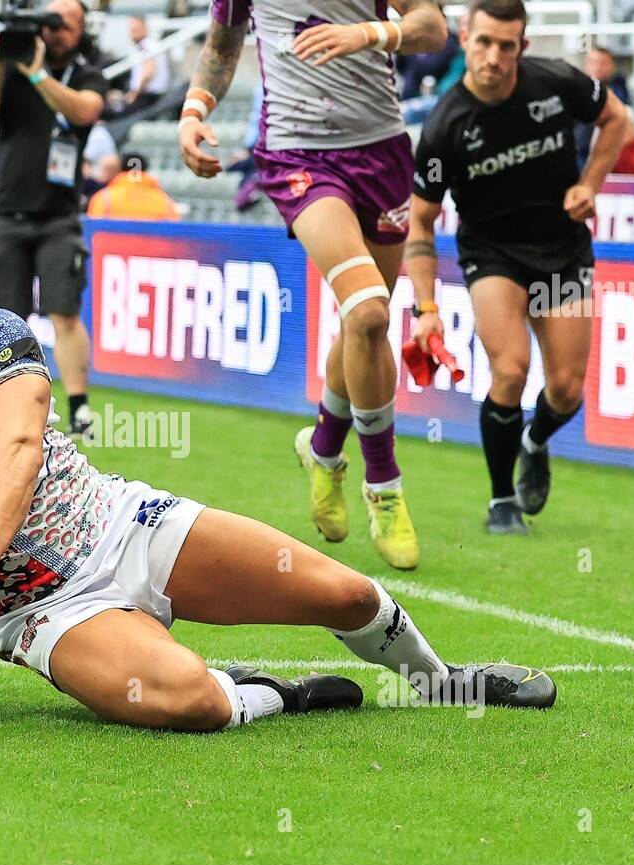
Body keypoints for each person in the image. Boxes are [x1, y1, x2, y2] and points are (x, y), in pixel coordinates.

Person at [0, 201, 556, 733]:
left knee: (341, 593)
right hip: (28, 609)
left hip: (122, 526)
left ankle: (445, 681)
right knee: (185, 703)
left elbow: (16, 442)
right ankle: (275, 695)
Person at [181, 0, 449, 572]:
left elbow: (432, 27)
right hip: (298, 154)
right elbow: (223, 45)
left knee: (362, 319)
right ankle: (385, 486)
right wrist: (192, 111)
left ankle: (324, 450)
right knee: (372, 313)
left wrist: (369, 34)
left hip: (381, 154)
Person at [406, 0, 628, 534]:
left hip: (560, 250)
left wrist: (589, 184)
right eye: (483, 42)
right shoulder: (443, 127)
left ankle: (535, 440)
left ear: (522, 46)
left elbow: (617, 118)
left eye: (506, 45)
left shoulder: (554, 81)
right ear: (464, 38)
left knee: (568, 389)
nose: (494, 57)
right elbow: (419, 225)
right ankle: (501, 501)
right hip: (493, 255)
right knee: (510, 368)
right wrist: (426, 308)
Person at [0, 0, 108, 439]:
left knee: (65, 312)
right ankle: (10, 401)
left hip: (58, 216)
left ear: (81, 29)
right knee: (9, 318)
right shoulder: (11, 73)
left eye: (65, 24)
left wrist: (37, 72)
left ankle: (80, 408)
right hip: (7, 213)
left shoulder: (86, 72)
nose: (56, 31)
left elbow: (85, 111)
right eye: (51, 23)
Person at [574, 46, 630, 168]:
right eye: (593, 62)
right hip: (579, 153)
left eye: (603, 62)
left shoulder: (618, 89)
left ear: (612, 66)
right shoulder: (576, 89)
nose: (597, 67)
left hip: (607, 154)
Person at [105, 15, 171, 116]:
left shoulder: (145, 47)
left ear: (145, 28)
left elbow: (149, 72)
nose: (132, 33)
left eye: (135, 29)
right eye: (131, 30)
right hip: (148, 96)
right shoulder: (151, 45)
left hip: (147, 98)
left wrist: (134, 95)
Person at [86, 151, 180, 220]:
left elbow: (91, 232)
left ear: (120, 169)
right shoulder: (165, 201)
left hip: (111, 247)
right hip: (152, 247)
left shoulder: (104, 198)